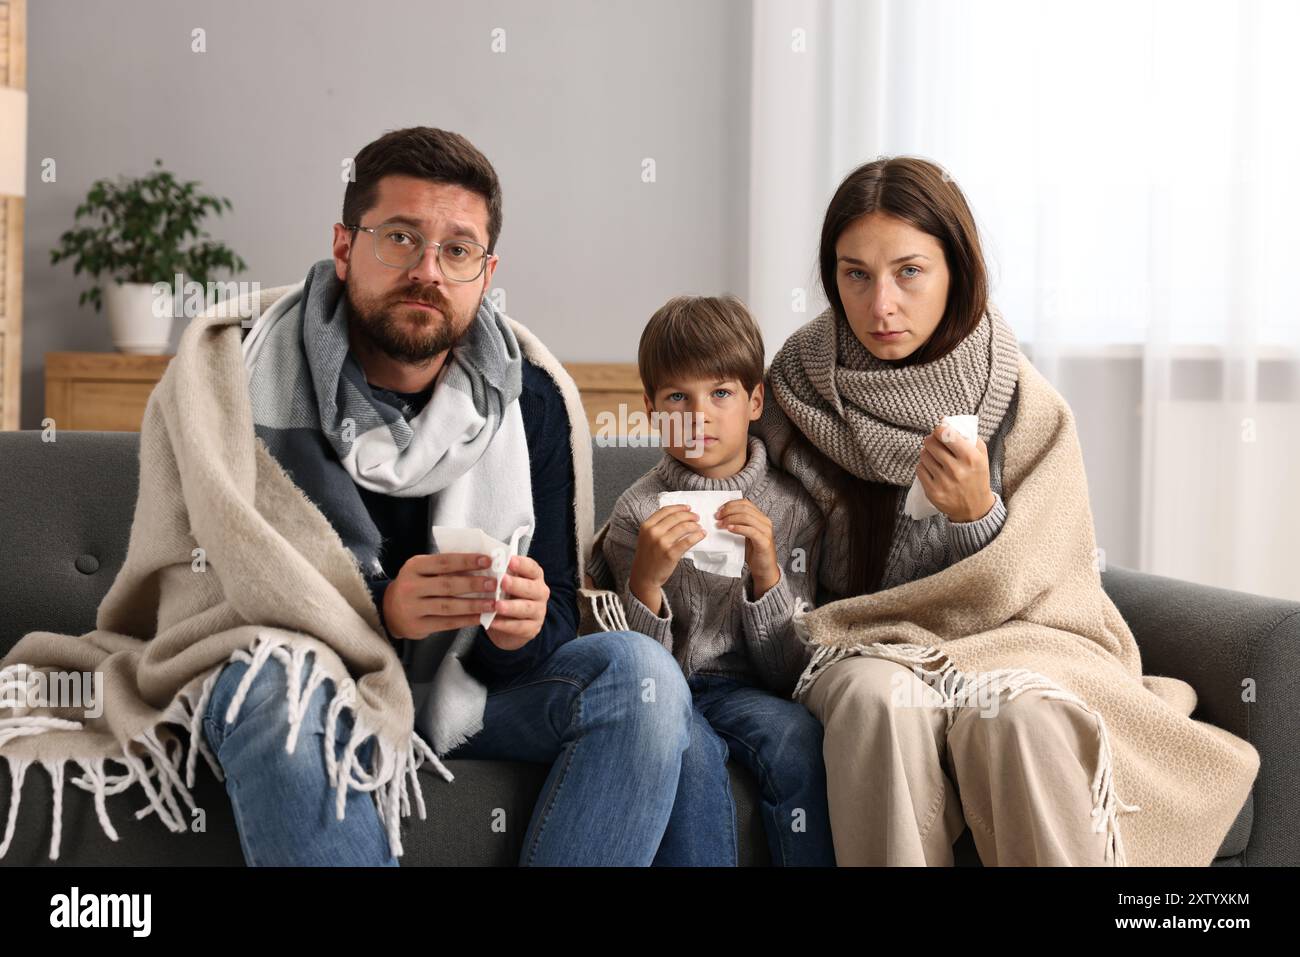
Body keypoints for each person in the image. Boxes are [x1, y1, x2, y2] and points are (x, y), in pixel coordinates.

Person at [204, 126, 724, 866]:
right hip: (302, 683)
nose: (428, 270)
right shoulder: (240, 375)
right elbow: (206, 598)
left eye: (457, 250)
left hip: (466, 693)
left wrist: (518, 631)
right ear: (345, 246)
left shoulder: (529, 398)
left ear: (486, 271)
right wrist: (378, 612)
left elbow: (550, 640)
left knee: (640, 676)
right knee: (274, 692)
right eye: (400, 238)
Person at [590, 295, 835, 866]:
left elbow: (789, 673)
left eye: (720, 393)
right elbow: (639, 672)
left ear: (754, 402)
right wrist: (646, 584)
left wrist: (767, 573)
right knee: (691, 758)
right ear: (651, 408)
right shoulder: (637, 512)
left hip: (750, 691)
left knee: (797, 739)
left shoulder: (793, 509)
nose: (699, 415)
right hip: (667, 693)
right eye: (678, 396)